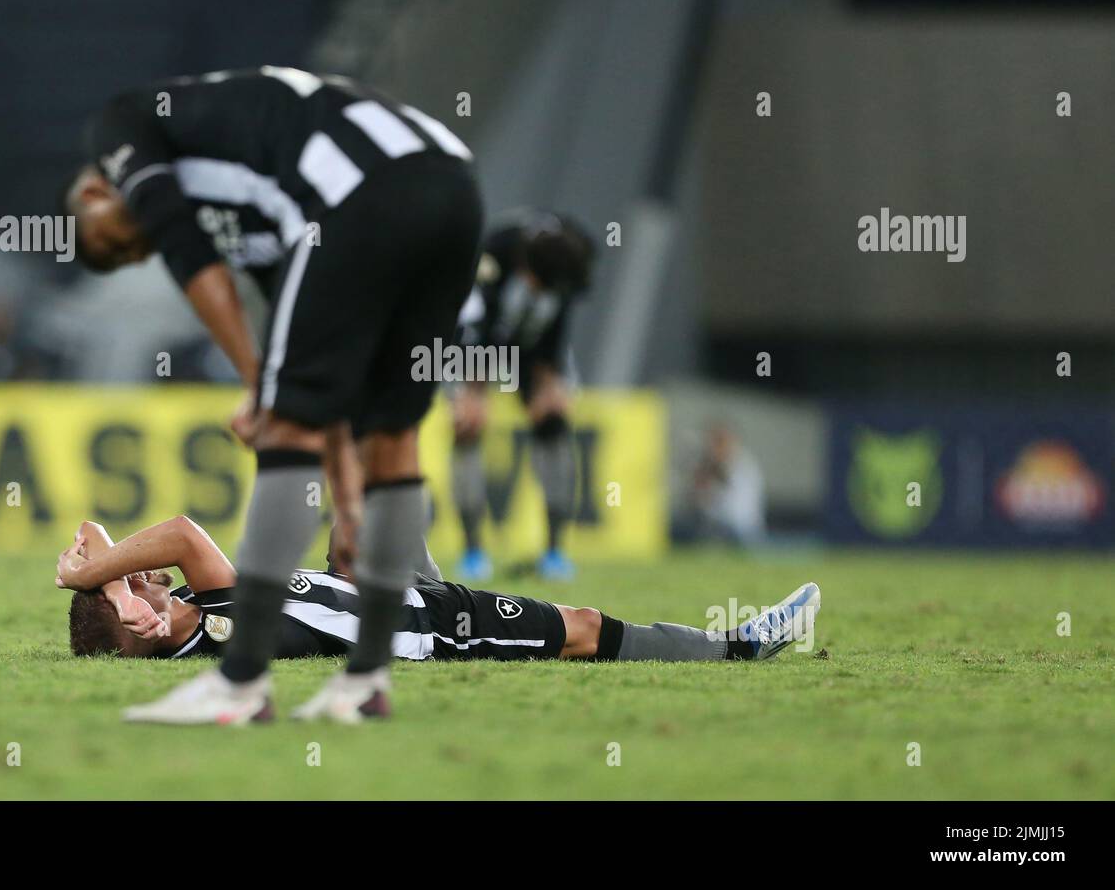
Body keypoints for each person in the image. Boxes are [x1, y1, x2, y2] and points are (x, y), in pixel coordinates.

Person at [63, 66, 482, 723]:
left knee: (284, 425)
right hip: (451, 186)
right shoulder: (254, 202)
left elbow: (191, 255)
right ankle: (366, 682)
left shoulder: (122, 123)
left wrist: (260, 386)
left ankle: (239, 686)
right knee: (390, 436)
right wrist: (344, 497)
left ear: (96, 190)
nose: (139, 247)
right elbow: (324, 365)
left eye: (120, 238)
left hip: (361, 187)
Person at [55, 518, 822, 723]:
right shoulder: (211, 628)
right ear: (140, 629)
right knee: (583, 627)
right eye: (132, 590)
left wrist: (99, 567)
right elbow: (184, 533)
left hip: (373, 590)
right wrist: (96, 575)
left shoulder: (210, 604)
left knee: (361, 509)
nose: (142, 576)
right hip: (428, 624)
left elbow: (108, 535)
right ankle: (738, 648)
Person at [451, 209, 595, 581]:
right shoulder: (493, 252)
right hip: (480, 343)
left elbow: (560, 318)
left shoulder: (573, 253)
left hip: (534, 348)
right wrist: (473, 390)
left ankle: (554, 552)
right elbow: (470, 324)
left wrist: (551, 380)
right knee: (467, 426)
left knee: (554, 424)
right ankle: (472, 553)